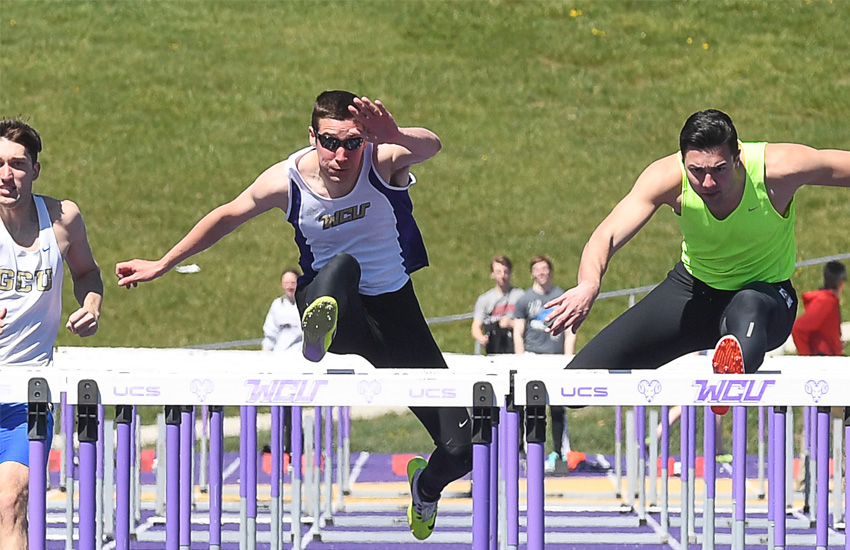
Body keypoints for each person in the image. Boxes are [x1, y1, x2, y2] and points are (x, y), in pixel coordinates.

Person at [115, 91, 471, 540]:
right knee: (343, 266)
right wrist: (163, 263)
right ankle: (317, 335)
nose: (341, 156)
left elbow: (432, 145)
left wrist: (395, 134)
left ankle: (424, 487)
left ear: (365, 140)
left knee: (461, 450)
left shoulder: (381, 160)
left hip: (395, 313)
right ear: (312, 136)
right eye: (330, 142)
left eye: (352, 143)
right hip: (333, 303)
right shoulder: (287, 180)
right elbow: (227, 215)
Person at [545, 109, 850, 416]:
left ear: (737, 157)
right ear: (683, 161)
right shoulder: (667, 177)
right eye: (696, 171)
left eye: (719, 169)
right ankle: (729, 370)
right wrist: (589, 283)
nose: (707, 182)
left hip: (766, 300)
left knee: (748, 303)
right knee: (577, 383)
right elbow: (607, 234)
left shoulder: (778, 168)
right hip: (694, 295)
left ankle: (731, 375)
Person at [0, 119, 103, 549]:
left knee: (11, 502)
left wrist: (91, 305)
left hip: (27, 392)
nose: (7, 174)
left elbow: (88, 273)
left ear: (35, 170)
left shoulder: (62, 220)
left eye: (18, 164)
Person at [513, 255, 577, 471]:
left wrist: (568, 359)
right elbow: (518, 332)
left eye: (544, 268)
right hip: (532, 356)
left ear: (550, 271)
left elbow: (570, 331)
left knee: (558, 408)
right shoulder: (524, 300)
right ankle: (527, 452)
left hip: (555, 357)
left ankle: (559, 453)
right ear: (532, 273)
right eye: (537, 269)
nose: (541, 273)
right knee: (529, 406)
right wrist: (520, 359)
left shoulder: (561, 296)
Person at [471, 255, 523, 354]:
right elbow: (476, 326)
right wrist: (481, 338)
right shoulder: (484, 299)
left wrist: (511, 324)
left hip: (516, 347)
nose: (502, 276)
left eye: (505, 271)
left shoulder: (520, 296)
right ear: (492, 274)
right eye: (498, 272)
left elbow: (529, 323)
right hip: (494, 348)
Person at [792, 260, 846, 356]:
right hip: (822, 358)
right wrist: (807, 357)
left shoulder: (828, 300)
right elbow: (798, 328)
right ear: (841, 283)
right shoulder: (825, 301)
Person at [261, 268, 302, 354]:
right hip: (279, 355)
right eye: (286, 283)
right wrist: (264, 353)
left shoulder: (305, 305)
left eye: (293, 283)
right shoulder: (277, 305)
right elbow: (270, 334)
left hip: (300, 356)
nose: (289, 287)